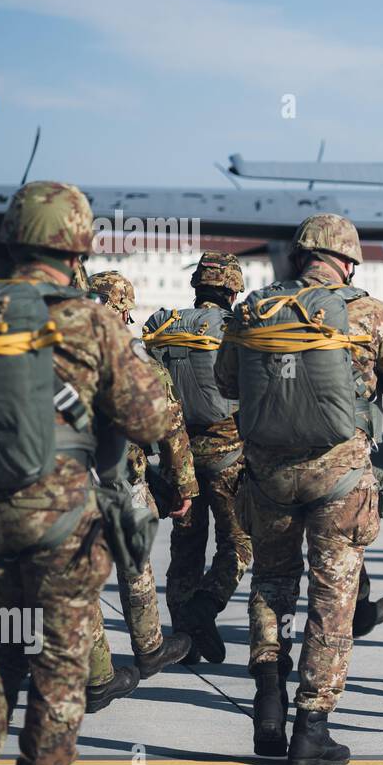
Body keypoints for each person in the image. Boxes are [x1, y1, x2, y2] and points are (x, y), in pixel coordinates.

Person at [0, 182, 175, 765]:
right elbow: (150, 420)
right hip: (59, 529)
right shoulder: (90, 318)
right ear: (77, 248)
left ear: (9, 242)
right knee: (60, 664)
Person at [215, 213, 383, 765]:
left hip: (268, 475)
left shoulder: (251, 309)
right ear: (348, 261)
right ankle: (312, 726)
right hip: (340, 476)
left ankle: (268, 697)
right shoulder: (366, 312)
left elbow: (226, 381)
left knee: (271, 583)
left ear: (298, 256)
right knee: (332, 597)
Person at [83, 271, 196, 713]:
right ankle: (148, 648)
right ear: (124, 310)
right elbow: (170, 424)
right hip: (123, 481)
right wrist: (184, 485)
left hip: (68, 486)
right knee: (136, 567)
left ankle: (98, 671)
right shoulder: (133, 357)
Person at [143, 251, 253, 663]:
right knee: (238, 542)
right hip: (229, 456)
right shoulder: (237, 328)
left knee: (186, 545)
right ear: (233, 288)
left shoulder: (166, 326)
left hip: (178, 458)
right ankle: (206, 606)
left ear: (196, 285)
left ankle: (183, 637)